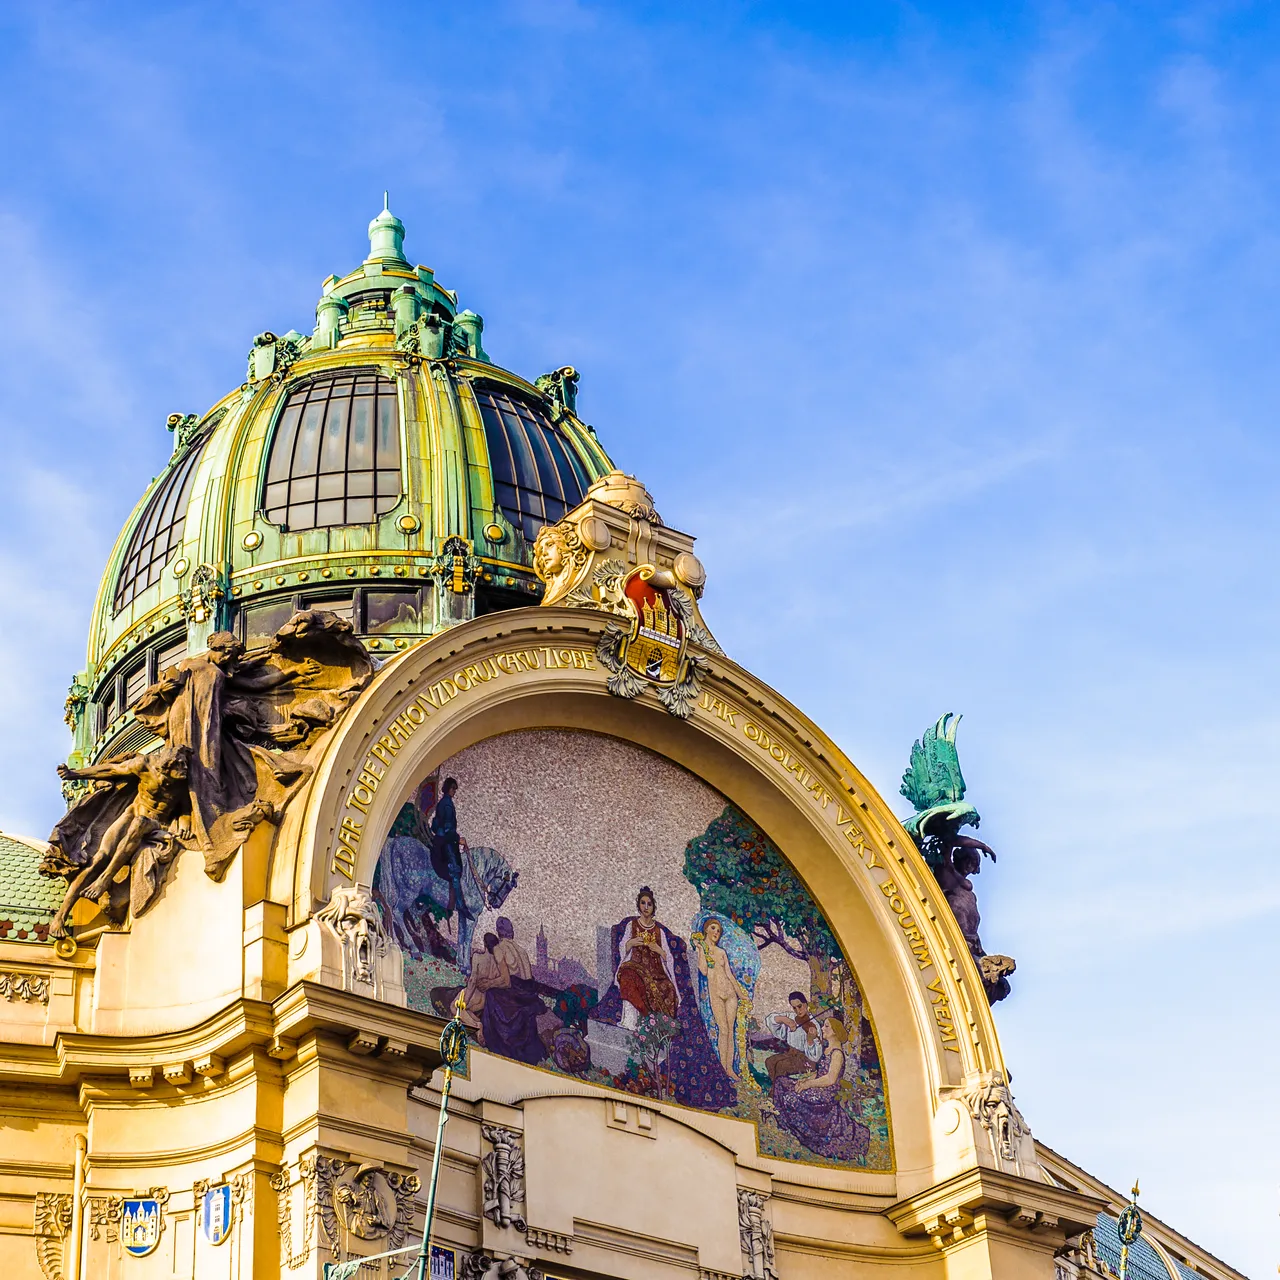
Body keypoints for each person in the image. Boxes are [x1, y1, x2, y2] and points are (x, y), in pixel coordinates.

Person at [48, 747, 190, 937]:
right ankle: (60, 916)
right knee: (99, 857)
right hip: (133, 813)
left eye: (185, 764)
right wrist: (74, 774)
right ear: (166, 765)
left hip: (158, 825)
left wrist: (185, 821)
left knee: (139, 825)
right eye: (179, 765)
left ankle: (105, 879)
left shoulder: (185, 783)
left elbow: (189, 807)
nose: (184, 769)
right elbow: (111, 770)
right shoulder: (145, 765)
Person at [771, 1018, 869, 1162]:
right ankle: (786, 1124)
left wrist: (808, 1084)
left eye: (826, 1026)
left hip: (826, 1093)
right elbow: (819, 1072)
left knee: (791, 1098)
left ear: (835, 1032)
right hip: (817, 1085)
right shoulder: (827, 1049)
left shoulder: (837, 1054)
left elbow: (830, 1079)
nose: (822, 1029)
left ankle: (805, 1133)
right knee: (781, 1082)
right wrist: (804, 1080)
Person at [614, 887, 679, 1030]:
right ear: (639, 905)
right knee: (627, 977)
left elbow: (668, 956)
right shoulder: (632, 925)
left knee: (667, 987)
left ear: (653, 907)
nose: (646, 907)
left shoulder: (659, 931)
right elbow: (622, 946)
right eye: (643, 903)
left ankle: (653, 1024)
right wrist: (630, 943)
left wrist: (659, 950)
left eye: (649, 904)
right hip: (634, 965)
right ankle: (632, 1023)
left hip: (655, 970)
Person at [694, 917, 747, 1075]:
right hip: (715, 993)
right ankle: (722, 1068)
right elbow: (703, 970)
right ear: (705, 930)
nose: (716, 932)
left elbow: (730, 975)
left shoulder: (722, 952)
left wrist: (742, 996)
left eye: (718, 930)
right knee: (722, 1030)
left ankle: (729, 1069)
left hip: (730, 994)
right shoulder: (701, 949)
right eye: (713, 928)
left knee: (730, 1031)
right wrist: (700, 949)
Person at [760, 992, 823, 1081]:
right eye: (794, 1008)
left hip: (806, 1060)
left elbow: (816, 1056)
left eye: (800, 1006)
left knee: (781, 1066)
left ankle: (779, 1091)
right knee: (770, 1061)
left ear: (806, 1004)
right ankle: (776, 1088)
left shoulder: (814, 1025)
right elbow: (770, 1019)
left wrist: (810, 1040)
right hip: (791, 1054)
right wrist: (784, 1020)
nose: (798, 1011)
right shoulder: (791, 1017)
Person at [429, 777, 467, 920]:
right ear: (447, 788)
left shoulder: (444, 803)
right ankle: (459, 905)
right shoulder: (447, 805)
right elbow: (447, 827)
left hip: (441, 839)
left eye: (455, 789)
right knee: (455, 870)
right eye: (453, 789)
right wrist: (458, 839)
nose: (454, 791)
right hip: (444, 841)